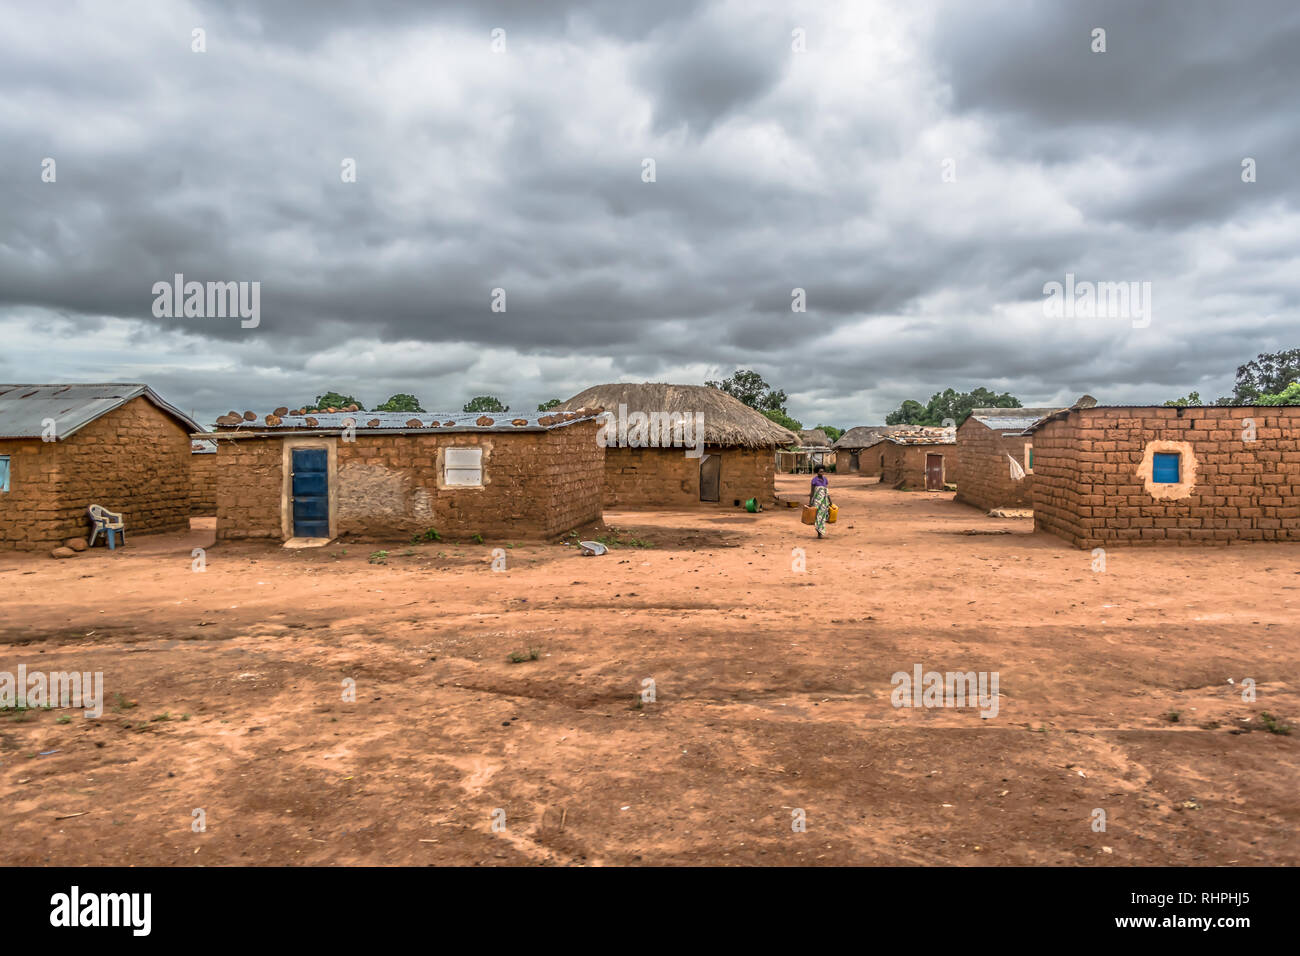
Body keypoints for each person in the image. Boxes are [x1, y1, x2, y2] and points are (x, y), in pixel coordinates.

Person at [808, 465, 832, 538]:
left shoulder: (825, 480)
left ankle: (821, 531)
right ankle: (819, 532)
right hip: (817, 501)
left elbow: (826, 491)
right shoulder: (814, 480)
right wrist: (810, 502)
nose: (822, 473)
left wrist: (830, 501)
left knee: (823, 517)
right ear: (817, 472)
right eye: (820, 472)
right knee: (818, 516)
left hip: (824, 501)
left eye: (823, 471)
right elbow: (812, 492)